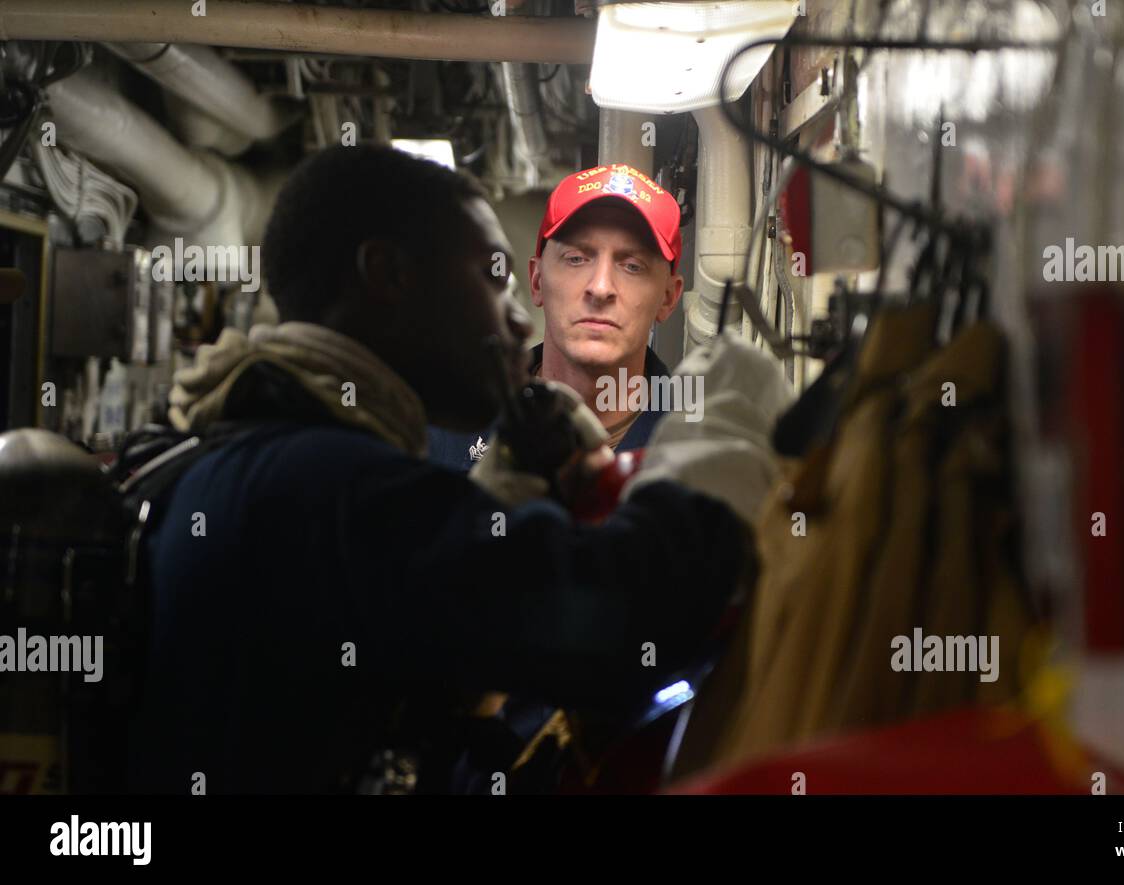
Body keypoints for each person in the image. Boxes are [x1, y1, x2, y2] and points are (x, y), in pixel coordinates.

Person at [125, 145, 747, 794]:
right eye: (491, 274)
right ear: (389, 275)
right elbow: (614, 623)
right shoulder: (339, 487)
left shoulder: (266, 452)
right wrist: (732, 446)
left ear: (670, 293)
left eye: (632, 265)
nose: (514, 315)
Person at [426, 163, 684, 471]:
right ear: (536, 281)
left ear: (668, 298)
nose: (600, 288)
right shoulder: (451, 424)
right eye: (576, 259)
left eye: (632, 266)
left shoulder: (702, 446)